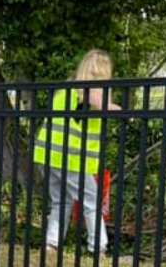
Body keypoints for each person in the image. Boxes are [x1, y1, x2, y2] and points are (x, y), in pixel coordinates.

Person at [34, 50, 120, 253]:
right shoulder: (89, 90)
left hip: (47, 155)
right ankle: (98, 248)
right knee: (91, 200)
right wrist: (127, 113)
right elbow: (102, 104)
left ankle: (51, 244)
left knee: (60, 201)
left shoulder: (66, 90)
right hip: (70, 158)